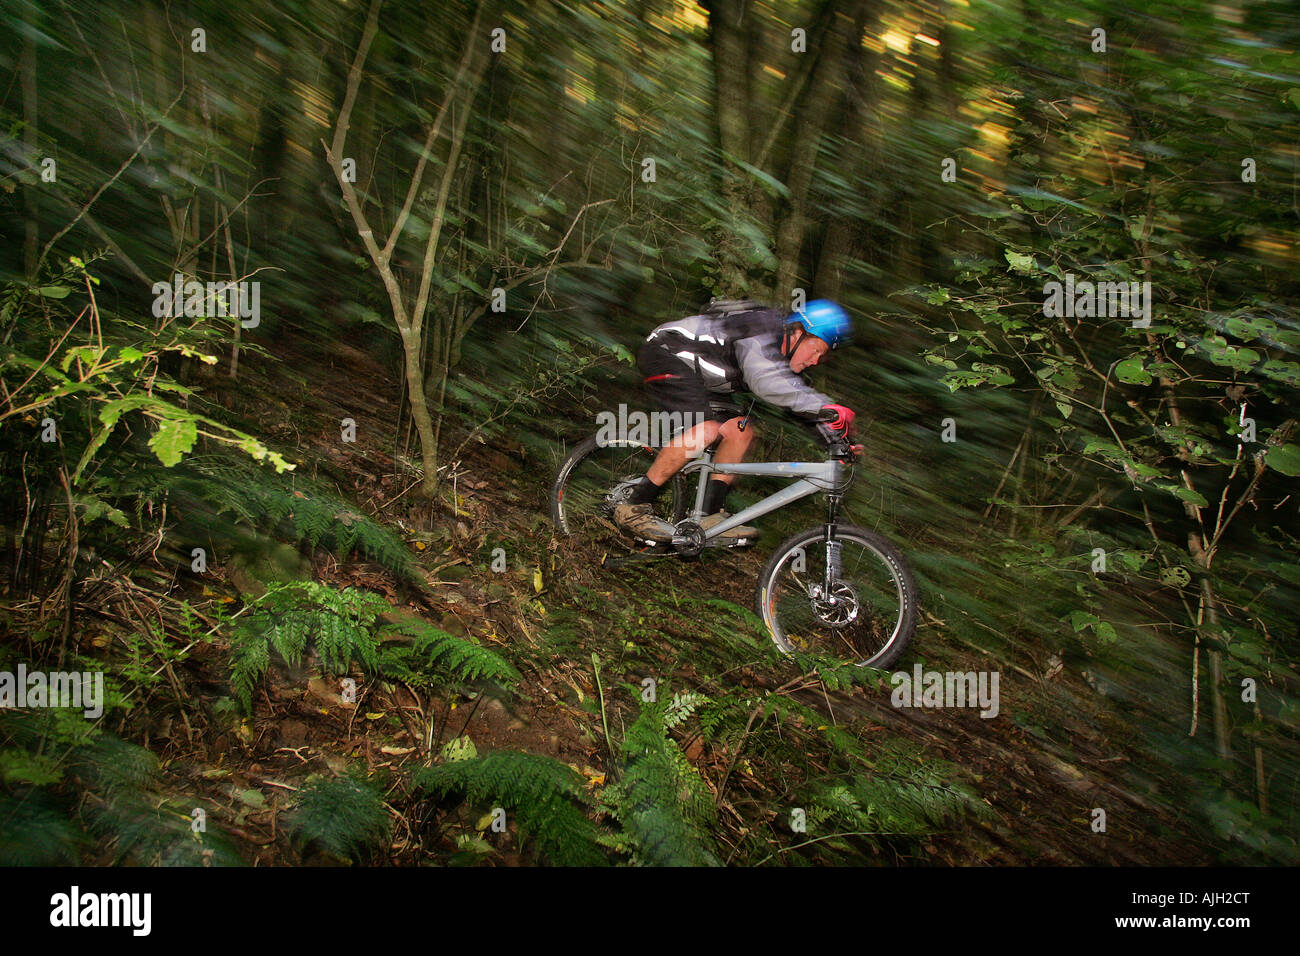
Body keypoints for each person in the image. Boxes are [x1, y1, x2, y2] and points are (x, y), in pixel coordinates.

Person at [614, 298, 856, 543]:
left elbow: (798, 406)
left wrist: (837, 439)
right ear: (797, 332)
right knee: (706, 430)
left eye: (822, 357)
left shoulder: (781, 360)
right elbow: (765, 383)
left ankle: (709, 516)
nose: (815, 361)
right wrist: (824, 407)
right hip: (667, 352)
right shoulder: (760, 329)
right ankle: (634, 506)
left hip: (703, 378)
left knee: (741, 432)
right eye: (815, 350)